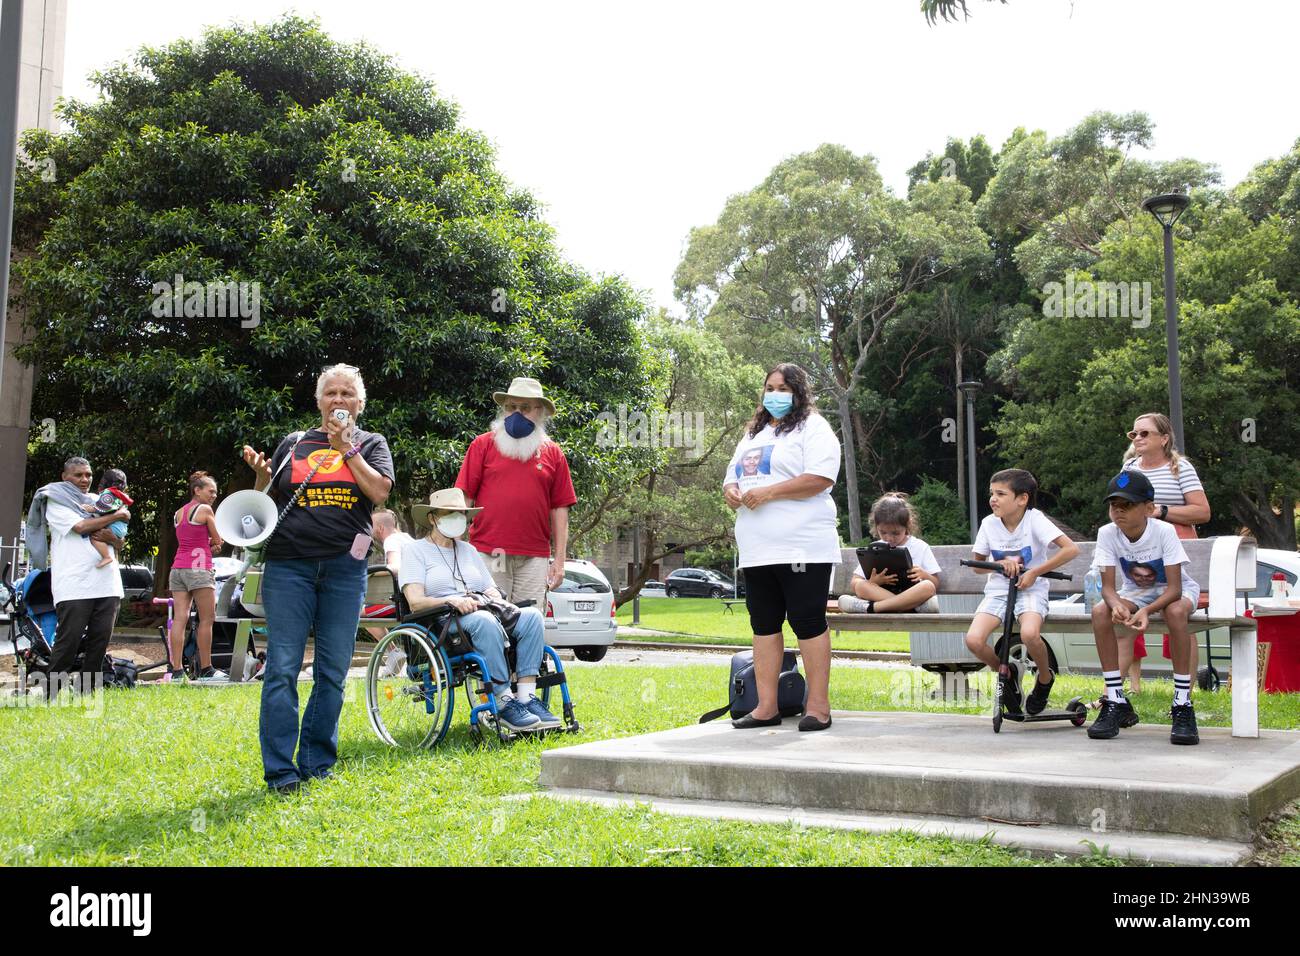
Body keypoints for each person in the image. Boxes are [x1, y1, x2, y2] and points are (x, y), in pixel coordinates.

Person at [241, 363, 394, 794]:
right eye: (332, 393)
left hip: (345, 570)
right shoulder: (293, 444)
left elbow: (379, 492)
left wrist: (347, 450)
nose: (340, 400)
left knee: (332, 671)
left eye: (348, 394)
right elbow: (264, 502)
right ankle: (280, 772)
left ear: (360, 404)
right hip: (290, 566)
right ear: (318, 400)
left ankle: (316, 763)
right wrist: (260, 475)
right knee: (283, 669)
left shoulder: (371, 443)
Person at [722, 363, 842, 732]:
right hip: (758, 549)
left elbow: (821, 478)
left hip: (803, 547)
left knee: (807, 622)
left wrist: (770, 491)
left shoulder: (814, 428)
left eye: (783, 388)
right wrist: (732, 492)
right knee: (763, 624)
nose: (774, 394)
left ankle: (818, 707)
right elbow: (731, 479)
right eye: (769, 387)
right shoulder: (752, 434)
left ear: (799, 391)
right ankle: (766, 707)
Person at [399, 488, 559, 732]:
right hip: (442, 622)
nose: (457, 519)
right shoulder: (415, 551)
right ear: (433, 518)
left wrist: (496, 600)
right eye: (450, 513)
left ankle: (526, 698)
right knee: (484, 620)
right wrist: (451, 600)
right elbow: (415, 601)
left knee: (532, 617)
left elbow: (492, 589)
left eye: (461, 514)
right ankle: (504, 701)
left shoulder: (469, 551)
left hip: (481, 611)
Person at [1087, 470, 1201, 745]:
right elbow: (1108, 588)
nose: (1119, 512)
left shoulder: (1164, 531)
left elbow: (1174, 589)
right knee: (1101, 611)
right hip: (1135, 592)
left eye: (1127, 505)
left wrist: (1146, 612)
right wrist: (1116, 605)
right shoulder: (1107, 533)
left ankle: (1182, 703)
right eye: (1114, 505)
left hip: (1175, 592)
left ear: (1149, 508)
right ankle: (1115, 699)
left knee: (1174, 613)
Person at [962, 469, 1079, 717]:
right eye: (992, 493)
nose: (993, 499)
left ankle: (1045, 678)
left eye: (1001, 494)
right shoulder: (989, 524)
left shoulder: (1034, 519)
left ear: (1022, 499)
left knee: (1029, 634)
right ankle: (1006, 672)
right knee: (973, 640)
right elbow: (977, 567)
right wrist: (999, 565)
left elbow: (1070, 550)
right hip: (998, 591)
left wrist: (1035, 572)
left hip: (1030, 589)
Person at [455, 377, 577, 607]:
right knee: (490, 622)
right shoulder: (482, 445)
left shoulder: (554, 454)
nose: (517, 414)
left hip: (534, 557)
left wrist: (559, 560)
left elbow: (560, 508)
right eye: (511, 407)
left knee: (529, 626)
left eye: (525, 408)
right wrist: (455, 547)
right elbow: (464, 498)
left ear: (540, 412)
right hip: (488, 552)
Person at [1118, 412, 1212, 693]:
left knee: (1178, 615)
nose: (1138, 439)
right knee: (1120, 612)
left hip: (1178, 548)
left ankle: (1185, 691)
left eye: (1145, 433)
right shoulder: (1129, 469)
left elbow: (1203, 511)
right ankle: (1115, 691)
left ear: (1165, 438)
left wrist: (1161, 511)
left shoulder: (1179, 468)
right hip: (1139, 553)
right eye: (1134, 434)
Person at [25, 457, 127, 698]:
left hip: (108, 584)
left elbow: (119, 541)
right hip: (75, 585)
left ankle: (87, 693)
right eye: (78, 475)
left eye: (88, 475)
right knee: (68, 643)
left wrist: (113, 535)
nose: (84, 480)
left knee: (99, 643)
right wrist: (117, 515)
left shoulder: (98, 500)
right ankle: (51, 694)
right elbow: (81, 527)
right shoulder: (56, 501)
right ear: (64, 477)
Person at [166, 470, 224, 684]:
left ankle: (177, 670)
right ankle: (207, 668)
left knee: (180, 618)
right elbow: (216, 540)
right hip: (199, 568)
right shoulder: (206, 509)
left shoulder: (178, 513)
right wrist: (216, 543)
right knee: (207, 619)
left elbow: (189, 539)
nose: (214, 495)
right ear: (197, 490)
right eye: (211, 491)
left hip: (178, 568)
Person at [838, 493, 941, 613]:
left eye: (895, 533)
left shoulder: (920, 547)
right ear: (876, 527)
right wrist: (873, 582)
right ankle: (911, 608)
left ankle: (871, 608)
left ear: (907, 525)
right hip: (882, 593)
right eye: (883, 532)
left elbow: (936, 583)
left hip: (911, 592)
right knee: (860, 586)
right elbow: (855, 581)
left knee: (928, 586)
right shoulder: (876, 548)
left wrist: (924, 575)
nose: (889, 538)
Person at [369, 508, 414, 673]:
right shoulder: (408, 538)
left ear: (380, 528)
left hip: (400, 602)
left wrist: (370, 573)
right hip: (412, 598)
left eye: (371, 525)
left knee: (355, 611)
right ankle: (393, 653)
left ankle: (393, 652)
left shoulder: (391, 540)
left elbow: (395, 567)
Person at [84, 469, 132, 569]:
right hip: (120, 528)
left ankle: (106, 557)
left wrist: (91, 509)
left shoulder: (108, 495)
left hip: (115, 528)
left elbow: (103, 508)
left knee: (95, 537)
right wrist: (119, 515)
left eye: (102, 482)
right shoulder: (119, 496)